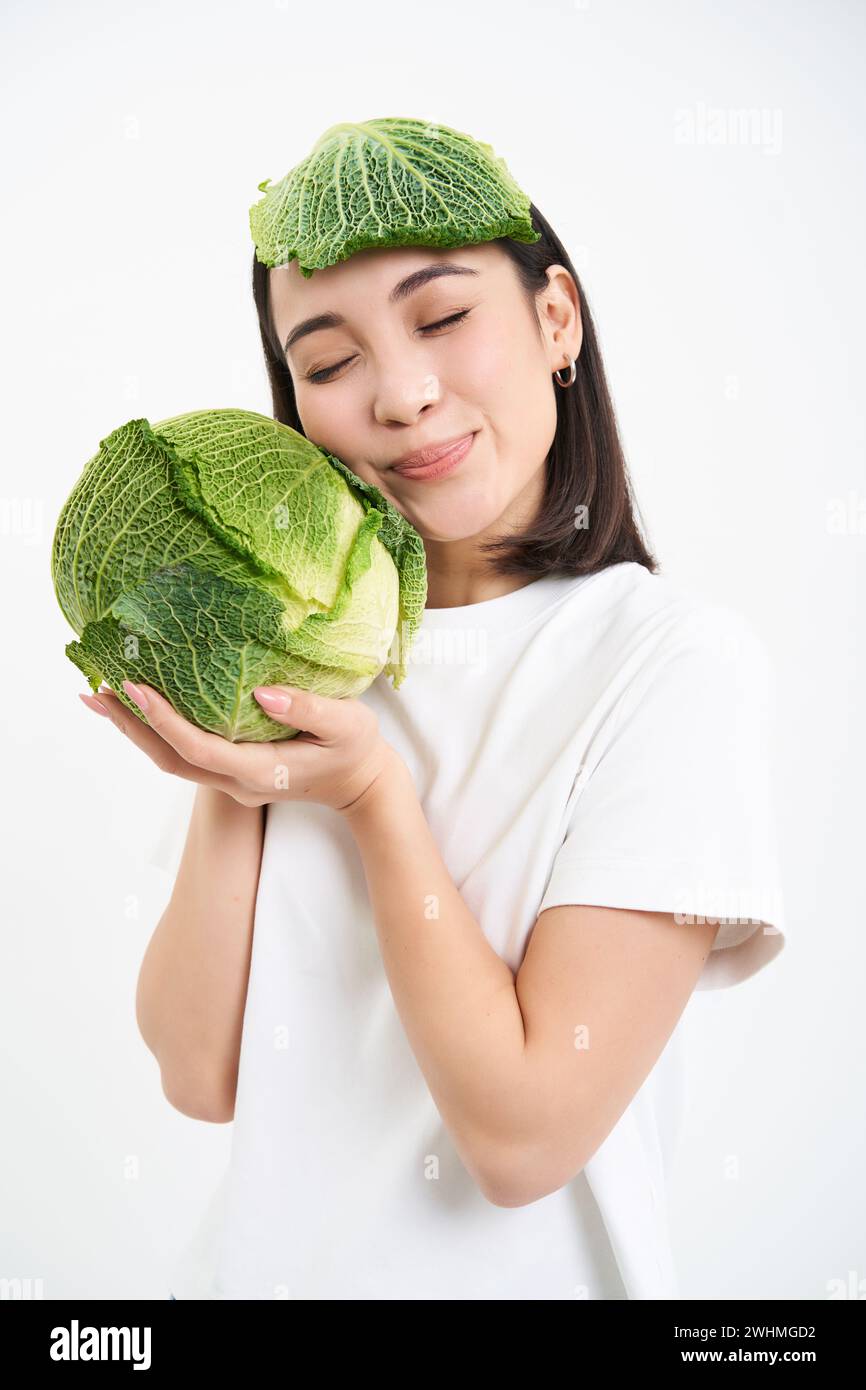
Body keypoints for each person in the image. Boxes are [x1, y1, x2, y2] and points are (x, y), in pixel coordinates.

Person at [83, 120, 787, 1299]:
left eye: (442, 318)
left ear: (553, 319)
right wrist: (230, 770)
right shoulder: (314, 648)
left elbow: (520, 1140)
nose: (402, 396)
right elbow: (198, 1073)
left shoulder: (668, 664)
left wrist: (370, 794)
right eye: (326, 360)